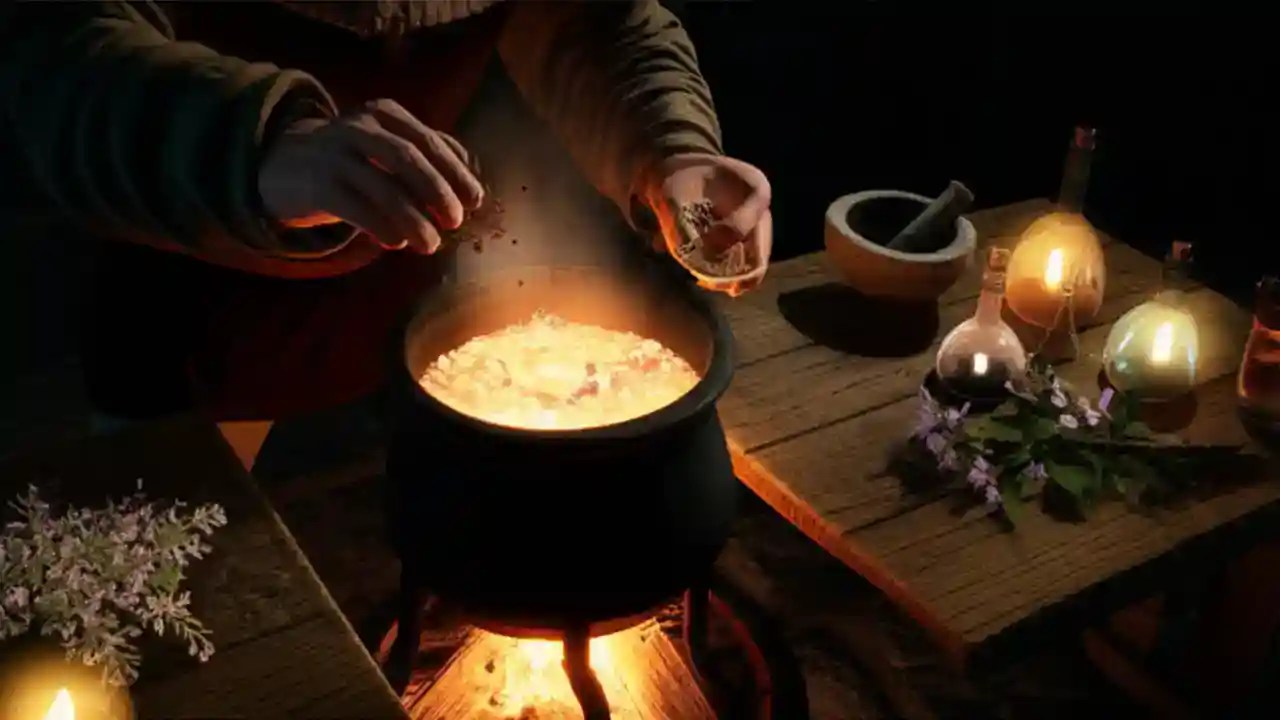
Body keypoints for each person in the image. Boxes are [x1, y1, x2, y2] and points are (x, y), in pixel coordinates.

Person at [1, 1, 772, 421]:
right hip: (195, 342)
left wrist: (671, 149)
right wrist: (261, 142)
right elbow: (53, 56)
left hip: (400, 343)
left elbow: (591, 21)